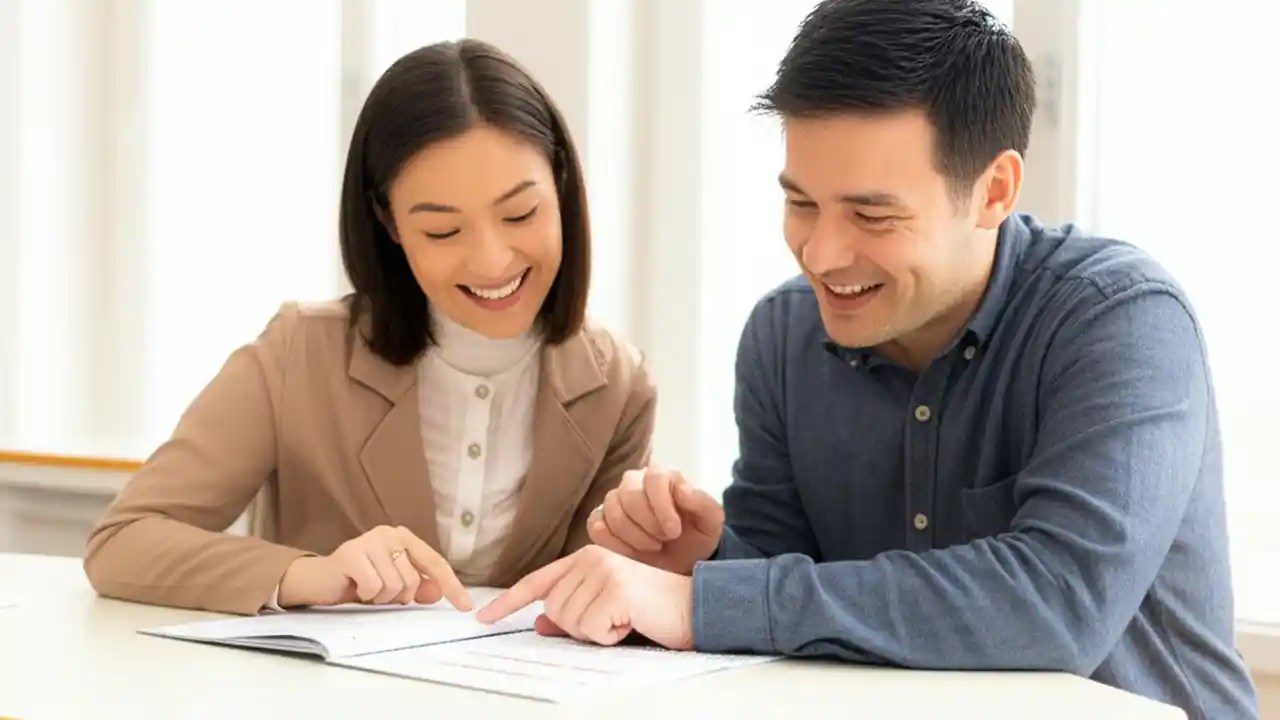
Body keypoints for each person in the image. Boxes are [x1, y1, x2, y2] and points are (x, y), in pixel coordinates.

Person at [477, 1, 1260, 717]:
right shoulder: (783, 337)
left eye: (872, 213)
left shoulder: (1119, 320)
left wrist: (701, 605)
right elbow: (793, 592)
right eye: (801, 203)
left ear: (994, 191)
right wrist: (706, 559)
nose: (821, 252)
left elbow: (1057, 605)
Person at [84, 39, 656, 616]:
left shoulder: (617, 387)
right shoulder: (298, 355)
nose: (491, 261)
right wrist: (311, 575)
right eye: (442, 232)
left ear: (559, 186)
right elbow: (124, 541)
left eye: (519, 215)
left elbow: (602, 594)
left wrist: (668, 549)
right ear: (389, 222)